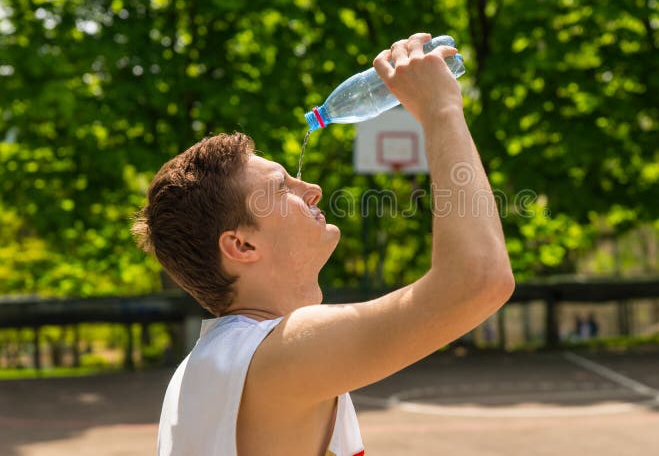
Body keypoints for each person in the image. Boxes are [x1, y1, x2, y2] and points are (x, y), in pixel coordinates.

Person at [132, 33, 515, 456]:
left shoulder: (213, 364)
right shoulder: (275, 356)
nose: (312, 189)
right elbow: (478, 279)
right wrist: (441, 110)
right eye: (281, 187)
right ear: (241, 245)